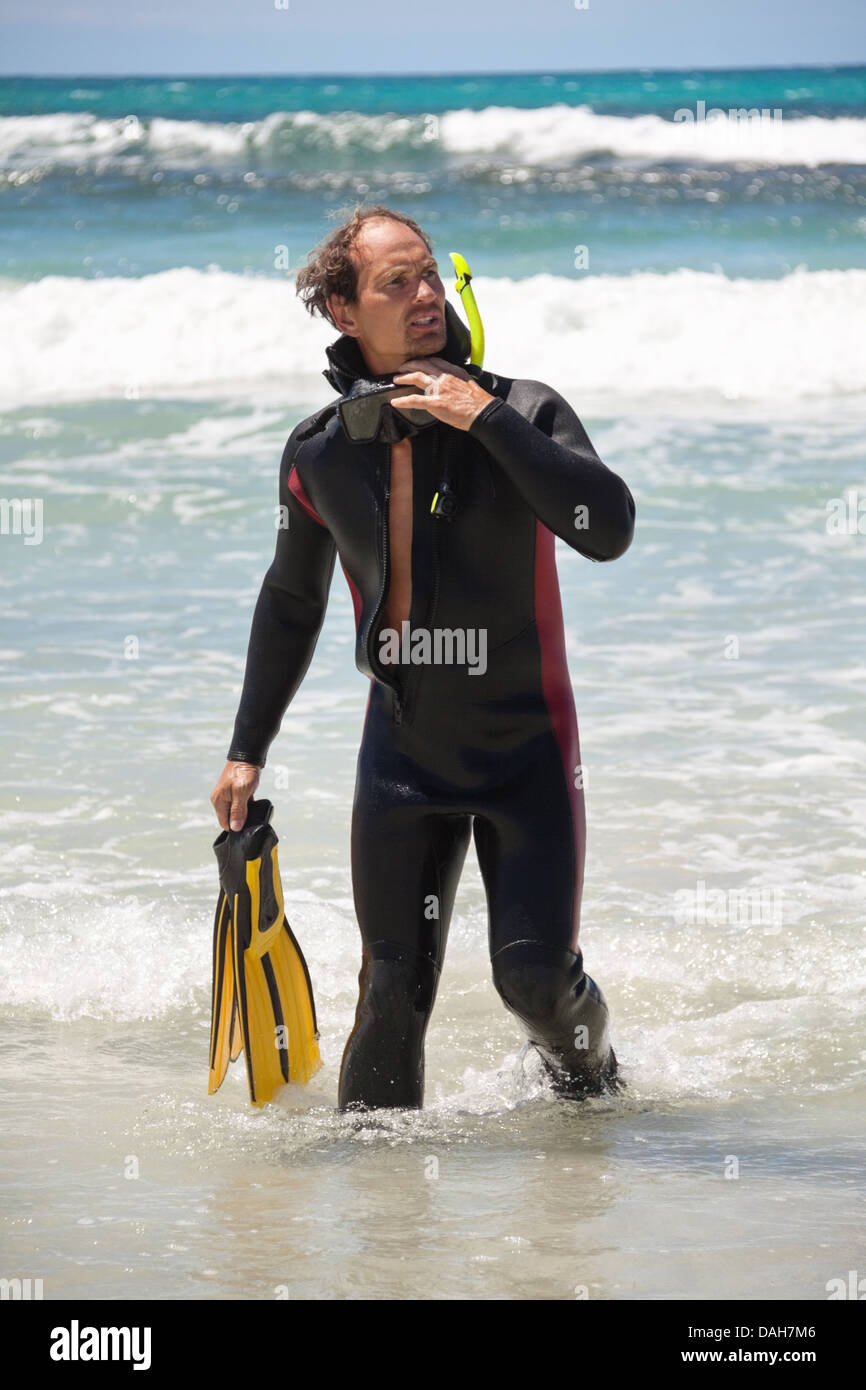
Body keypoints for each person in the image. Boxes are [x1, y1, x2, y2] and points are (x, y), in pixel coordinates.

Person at [210, 205, 636, 1110]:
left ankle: (596, 1084)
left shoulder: (524, 410)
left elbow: (608, 528)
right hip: (403, 760)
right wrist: (248, 748)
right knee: (390, 997)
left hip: (527, 752)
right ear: (341, 308)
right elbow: (292, 600)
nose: (425, 297)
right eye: (394, 282)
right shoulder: (320, 454)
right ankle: (383, 1223)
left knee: (532, 982)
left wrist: (484, 421)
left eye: (430, 275)